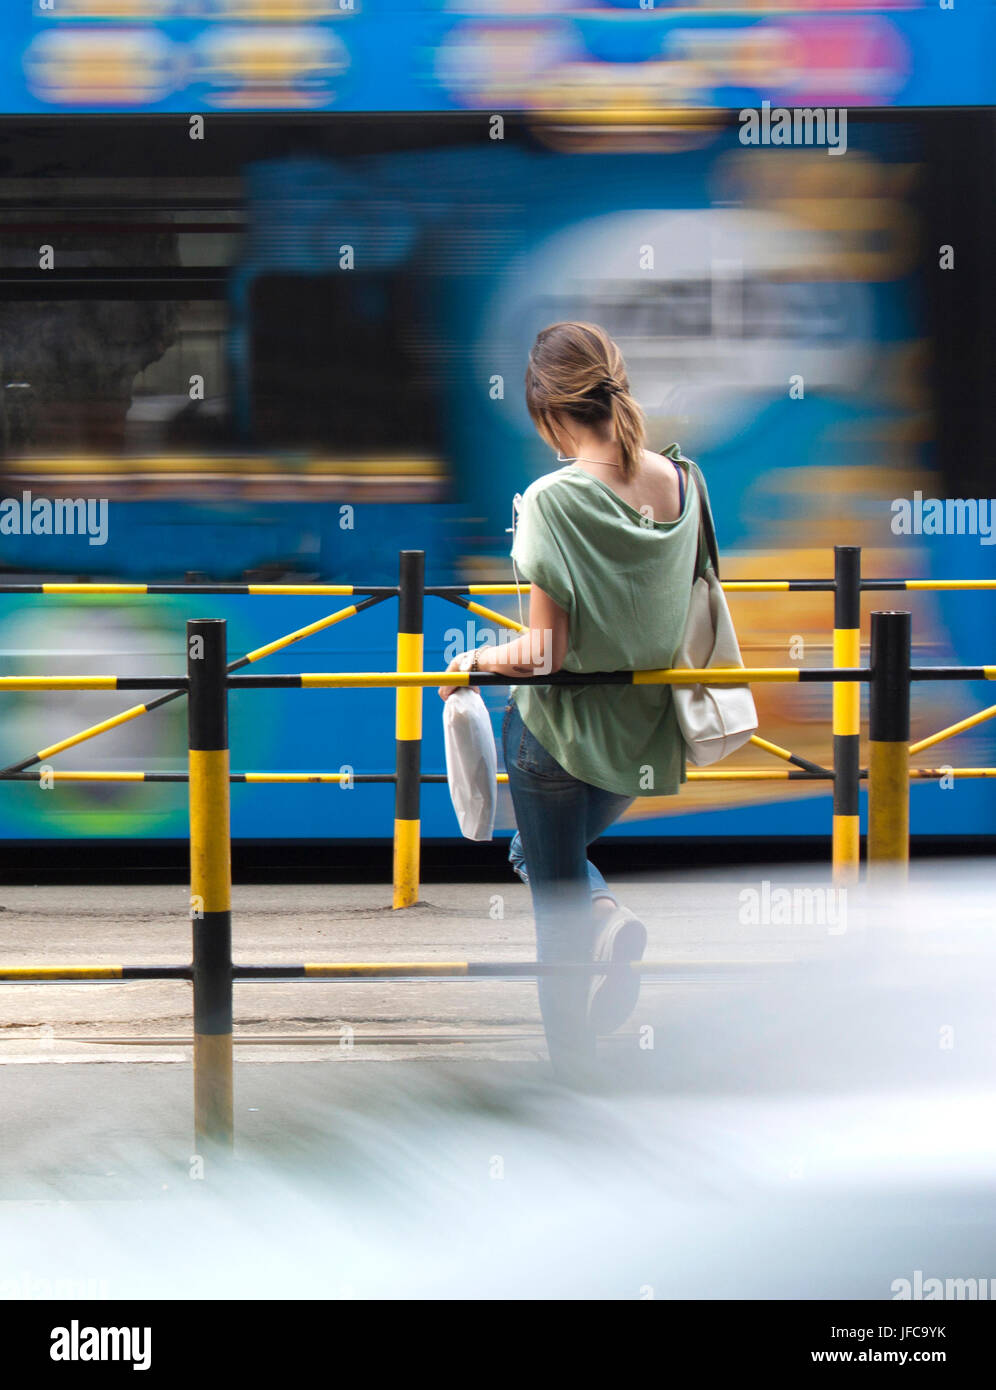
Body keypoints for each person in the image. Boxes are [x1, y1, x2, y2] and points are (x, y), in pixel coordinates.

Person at [439, 321, 714, 1081]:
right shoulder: (682, 482)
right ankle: (605, 929)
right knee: (539, 856)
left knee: (552, 916)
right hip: (644, 743)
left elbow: (544, 653)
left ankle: (572, 1078)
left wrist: (473, 659)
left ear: (550, 413)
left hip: (557, 743)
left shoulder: (554, 500)